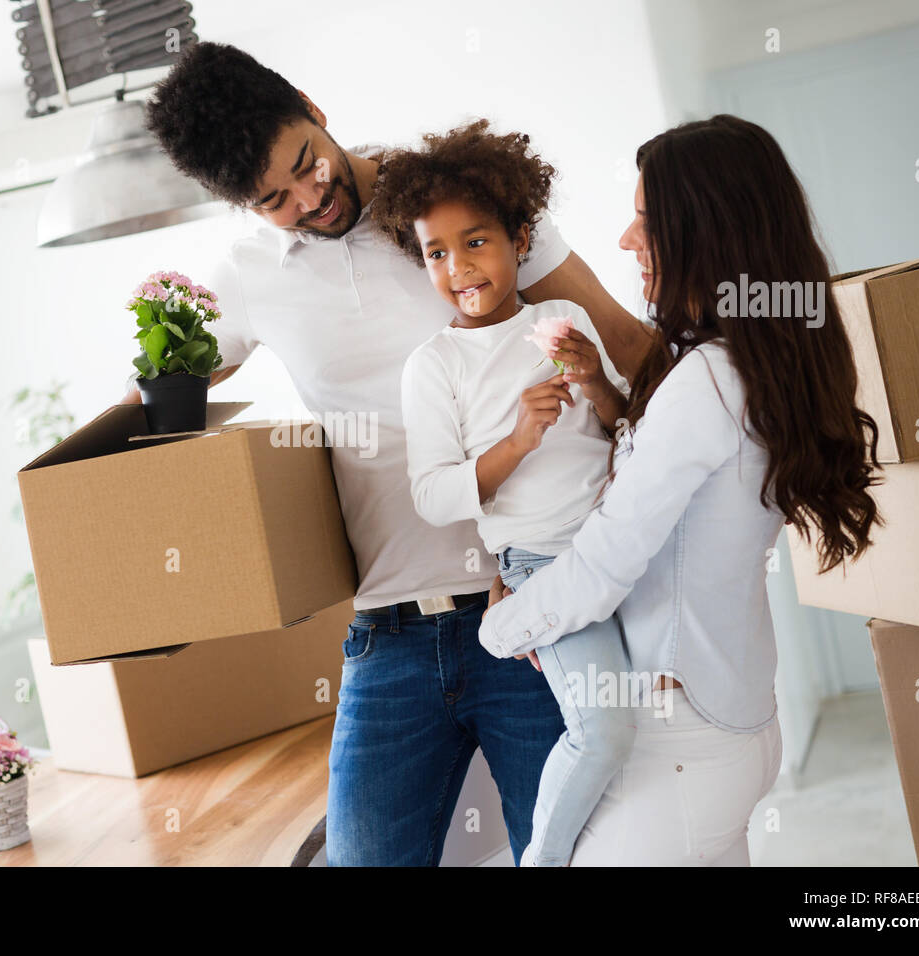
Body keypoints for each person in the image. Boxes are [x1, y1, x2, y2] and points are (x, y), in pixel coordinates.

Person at [134, 41, 653, 865]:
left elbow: (622, 339)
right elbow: (156, 411)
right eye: (274, 198)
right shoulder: (245, 277)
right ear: (237, 204)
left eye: (308, 162)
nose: (311, 197)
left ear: (313, 104)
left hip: (531, 610)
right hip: (390, 636)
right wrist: (70, 492)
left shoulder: (454, 205)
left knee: (571, 856)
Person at [477, 114, 883, 865]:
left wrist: (498, 631)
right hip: (732, 728)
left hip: (678, 750)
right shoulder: (752, 366)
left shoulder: (706, 383)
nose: (629, 241)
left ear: (706, 232)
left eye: (644, 221)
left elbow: (603, 569)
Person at [370, 120, 639, 867]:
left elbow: (622, 429)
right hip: (542, 567)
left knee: (657, 730)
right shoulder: (434, 365)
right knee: (606, 730)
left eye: (476, 241)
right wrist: (518, 441)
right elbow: (432, 496)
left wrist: (592, 381)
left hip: (622, 544)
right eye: (436, 252)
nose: (459, 266)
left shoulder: (567, 321)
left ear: (521, 239)